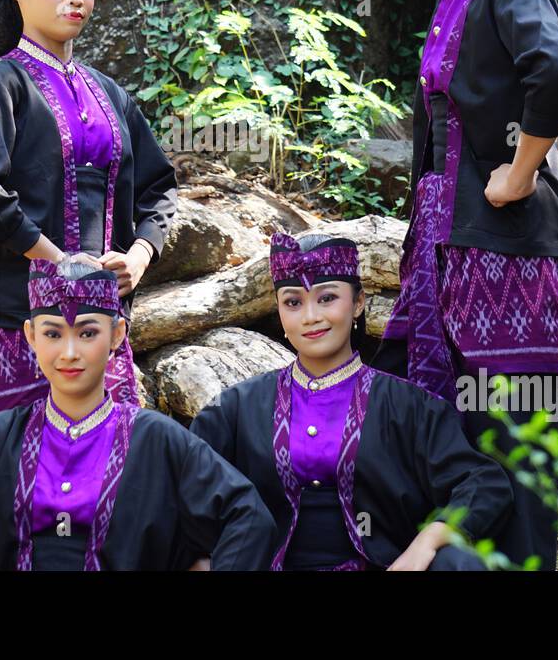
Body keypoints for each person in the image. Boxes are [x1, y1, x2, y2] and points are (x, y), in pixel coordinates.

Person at [374, 0, 558, 570]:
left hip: (506, 252)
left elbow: (556, 70)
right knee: (453, 435)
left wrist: (522, 170)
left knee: (515, 441)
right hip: (453, 245)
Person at [0, 258, 275, 571]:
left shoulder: (156, 440)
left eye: (88, 332)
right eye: (53, 333)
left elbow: (247, 516)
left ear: (116, 335)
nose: (69, 352)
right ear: (31, 337)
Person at [0, 0, 178, 422]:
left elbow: (159, 188)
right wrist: (58, 262)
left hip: (102, 330)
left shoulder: (113, 97)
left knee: (112, 485)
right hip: (16, 325)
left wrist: (138, 256)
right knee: (13, 484)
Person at [187, 232, 514, 571]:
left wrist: (429, 541)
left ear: (358, 303)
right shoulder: (237, 408)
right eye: (293, 302)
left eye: (327, 298)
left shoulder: (409, 407)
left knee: (457, 562)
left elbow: (482, 483)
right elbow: (179, 487)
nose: (310, 316)